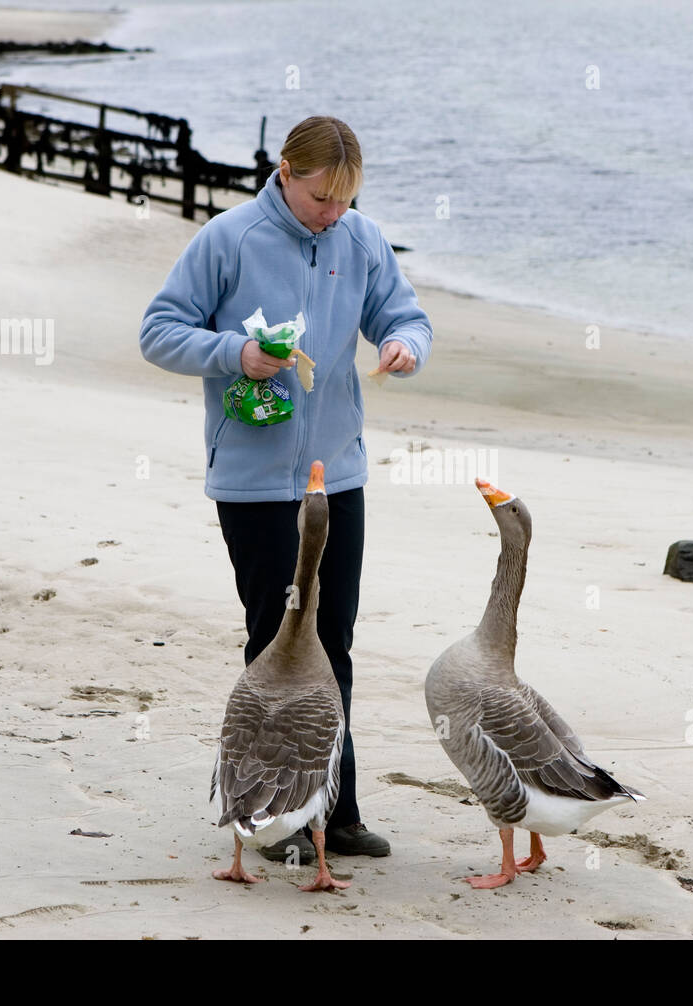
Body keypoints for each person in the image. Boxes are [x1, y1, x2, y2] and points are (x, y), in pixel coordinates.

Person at [139, 115, 432, 863]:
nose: (332, 213)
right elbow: (159, 329)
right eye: (320, 197)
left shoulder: (360, 239)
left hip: (338, 474)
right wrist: (235, 352)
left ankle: (337, 812)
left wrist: (405, 344)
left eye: (344, 199)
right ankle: (273, 813)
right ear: (284, 171)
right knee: (278, 643)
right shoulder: (228, 237)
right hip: (253, 482)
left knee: (333, 642)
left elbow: (402, 312)